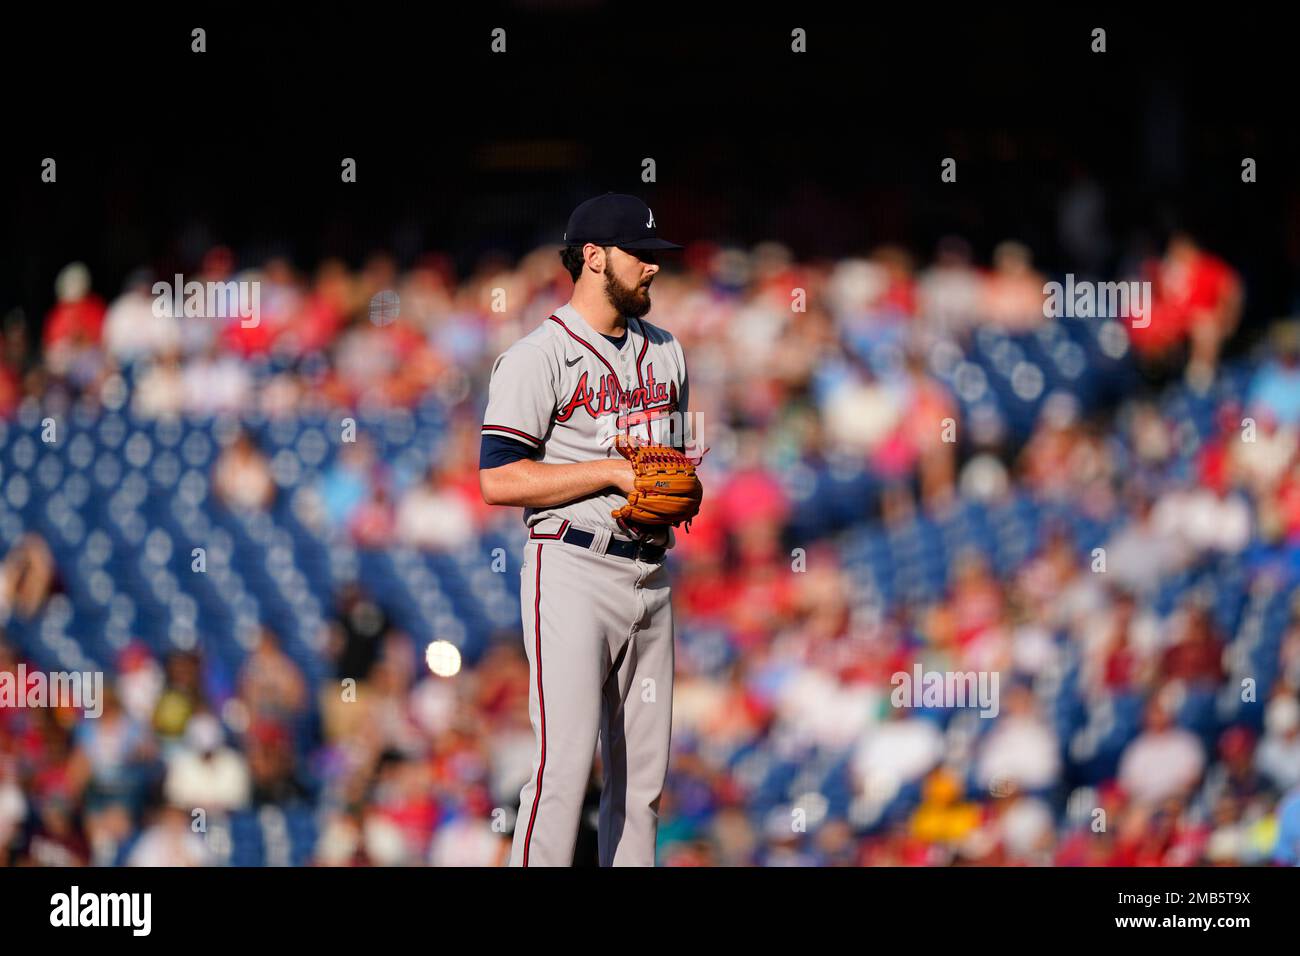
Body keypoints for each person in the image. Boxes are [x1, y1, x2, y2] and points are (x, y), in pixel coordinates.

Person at [479, 193, 690, 866]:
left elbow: (671, 463)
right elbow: (497, 480)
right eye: (641, 255)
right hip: (570, 568)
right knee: (564, 769)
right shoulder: (536, 357)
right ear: (593, 257)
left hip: (651, 574)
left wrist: (679, 495)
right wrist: (608, 474)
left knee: (642, 782)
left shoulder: (668, 352)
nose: (653, 269)